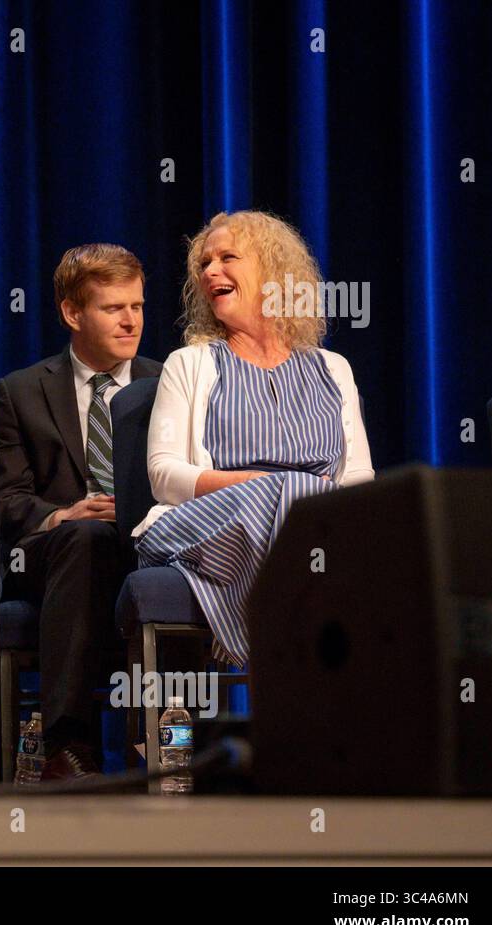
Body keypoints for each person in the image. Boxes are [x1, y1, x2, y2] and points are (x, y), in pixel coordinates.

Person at [134, 210, 374, 667]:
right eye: (204, 263)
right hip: (207, 526)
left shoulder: (333, 368)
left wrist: (307, 501)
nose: (210, 271)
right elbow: (163, 475)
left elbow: (360, 477)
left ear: (273, 273)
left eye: (227, 258)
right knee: (284, 493)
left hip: (315, 525)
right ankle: (300, 659)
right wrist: (260, 485)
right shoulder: (190, 364)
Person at [0, 243, 163, 780]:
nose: (130, 320)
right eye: (114, 308)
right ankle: (67, 748)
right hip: (55, 554)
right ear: (72, 313)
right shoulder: (20, 392)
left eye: (136, 306)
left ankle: (169, 745)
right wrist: (63, 514)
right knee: (85, 539)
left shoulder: (171, 383)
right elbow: (5, 500)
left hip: (146, 546)